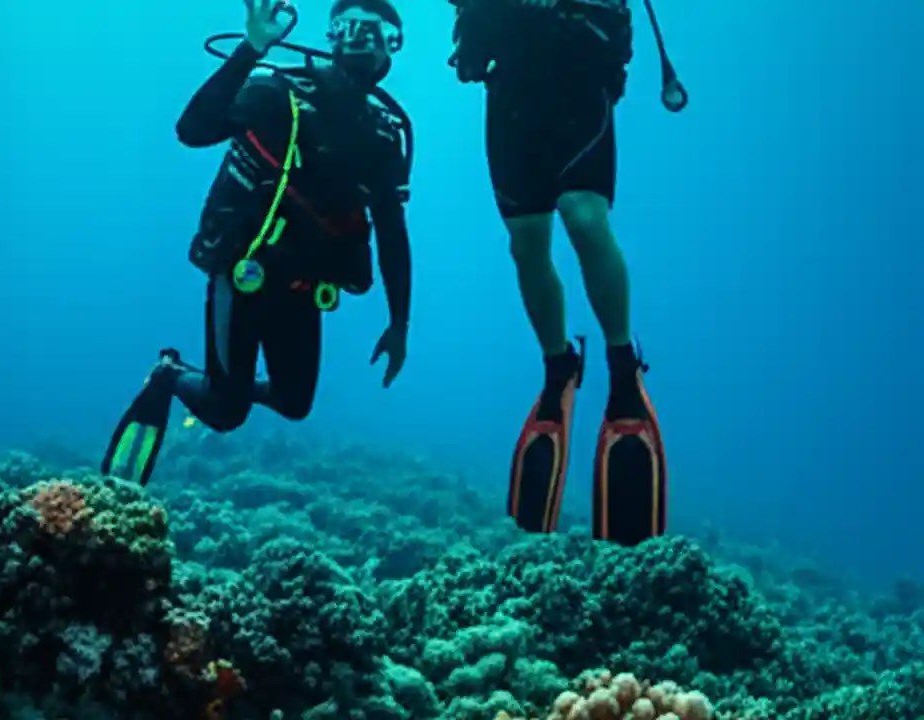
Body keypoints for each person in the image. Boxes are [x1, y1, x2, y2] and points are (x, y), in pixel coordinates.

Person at [102, 0, 414, 485]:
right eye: (352, 30)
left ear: (393, 48)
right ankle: (169, 375)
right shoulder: (277, 92)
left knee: (295, 404)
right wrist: (251, 48)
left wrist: (400, 322)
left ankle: (227, 384)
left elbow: (393, 231)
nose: (363, 44)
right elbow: (192, 130)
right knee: (227, 412)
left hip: (304, 287)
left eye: (378, 35)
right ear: (332, 37)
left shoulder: (382, 136)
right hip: (246, 270)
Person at [450, 0, 676, 546]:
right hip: (511, 105)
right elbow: (468, 58)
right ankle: (558, 365)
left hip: (579, 94)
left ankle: (622, 363)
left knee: (584, 215)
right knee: (526, 244)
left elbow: (616, 38)